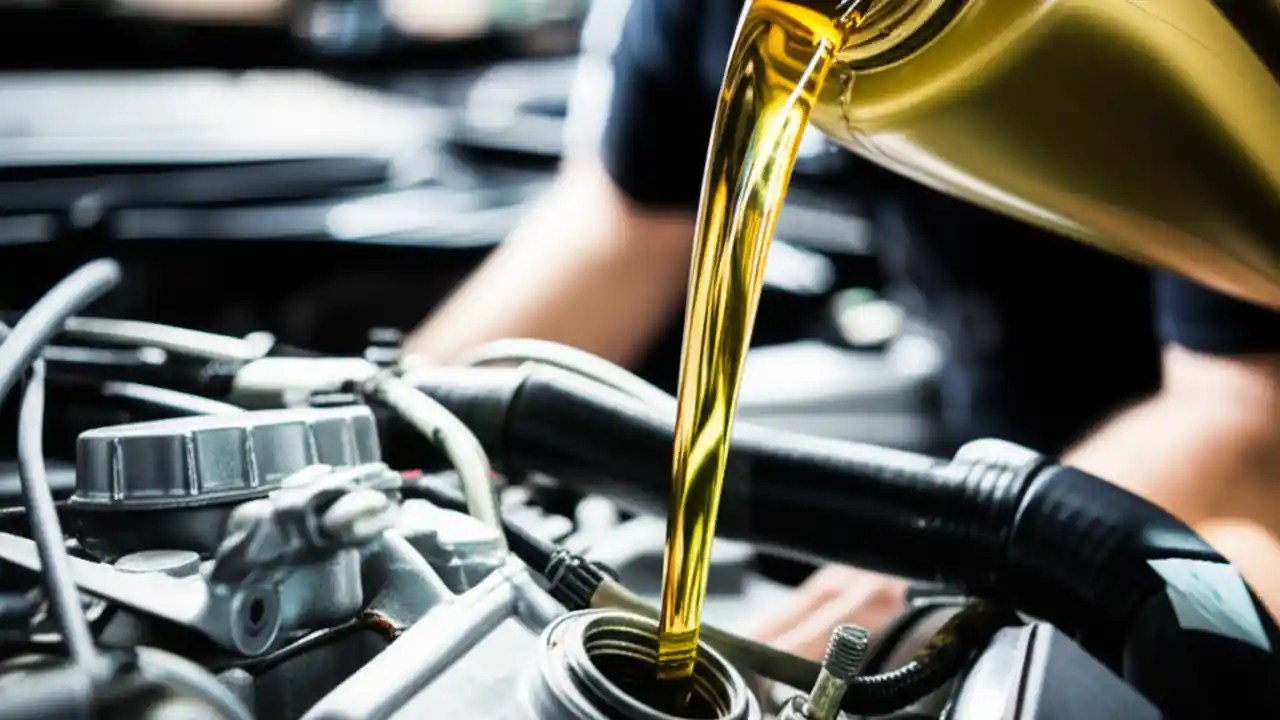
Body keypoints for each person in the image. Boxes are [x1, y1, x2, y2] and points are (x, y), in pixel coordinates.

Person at [403, 0, 1280, 660]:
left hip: (1183, 515)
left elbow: (1245, 414)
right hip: (991, 470)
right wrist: (393, 427)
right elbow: (623, 225)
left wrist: (933, 576)